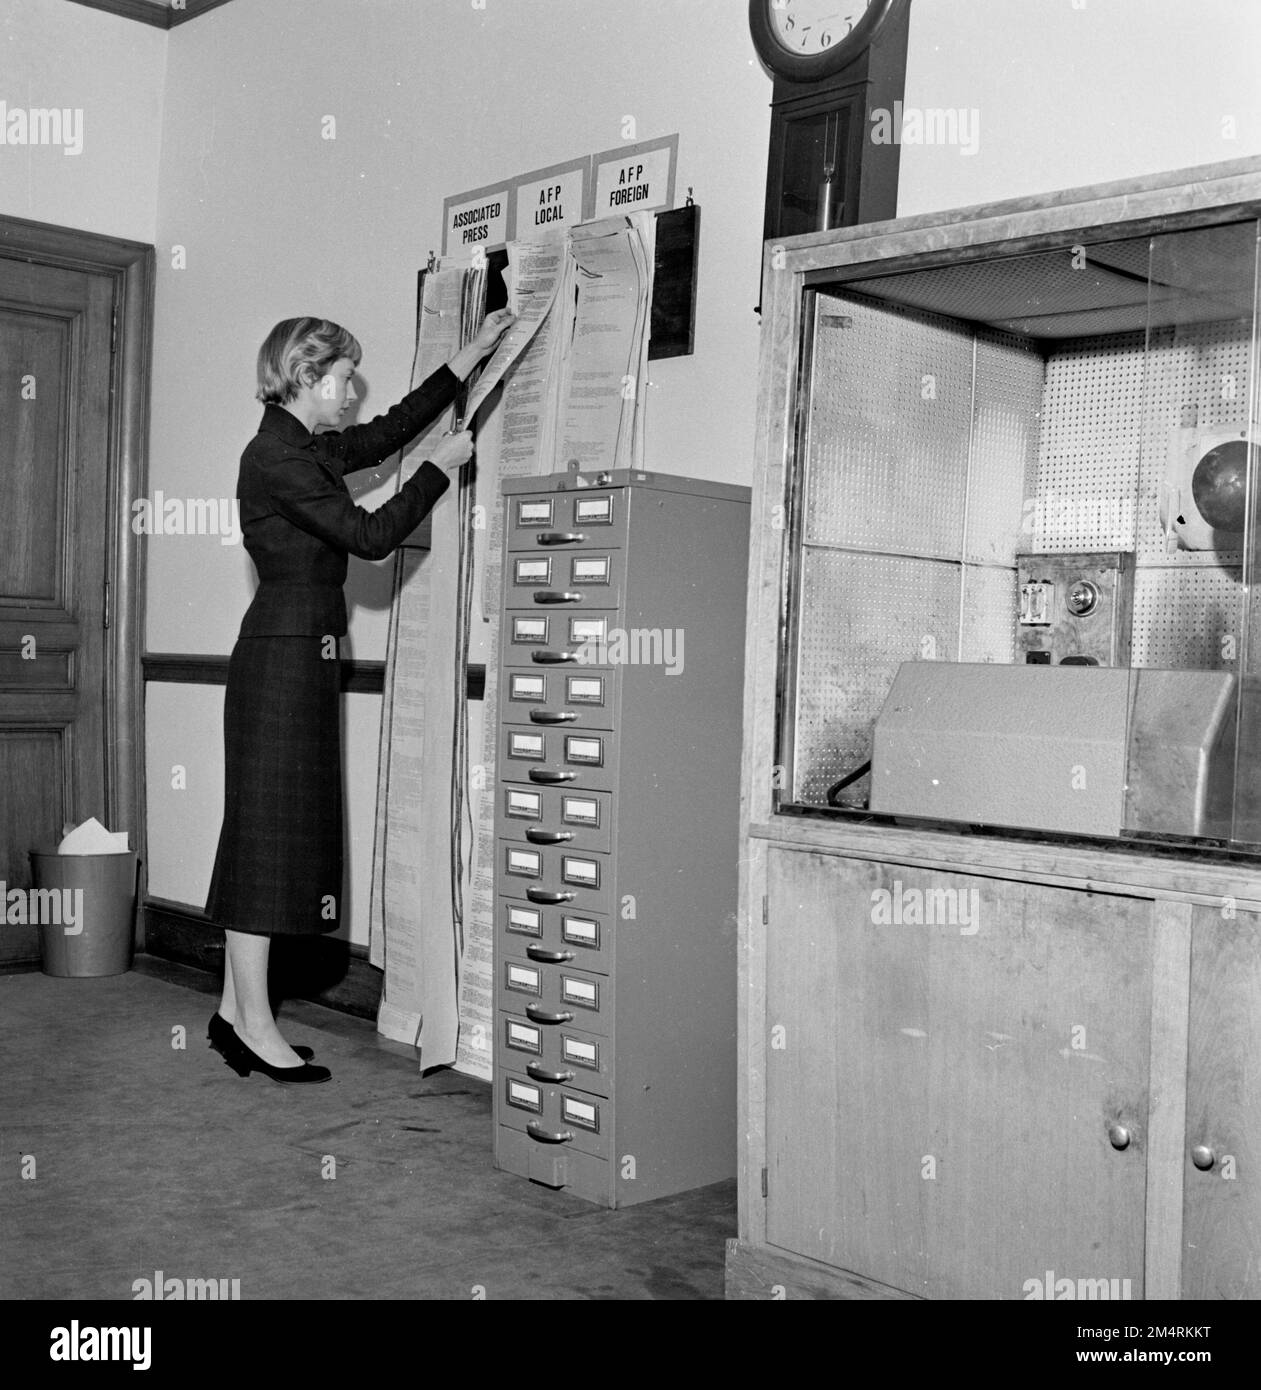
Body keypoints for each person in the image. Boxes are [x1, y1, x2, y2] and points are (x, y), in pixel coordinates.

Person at [204, 308, 514, 1084]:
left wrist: (468, 358)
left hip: (295, 658)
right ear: (307, 377)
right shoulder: (278, 459)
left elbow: (381, 435)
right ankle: (253, 1027)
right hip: (281, 662)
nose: (351, 393)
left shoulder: (300, 447)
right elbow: (371, 537)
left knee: (273, 840)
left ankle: (235, 1014)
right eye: (343, 379)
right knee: (266, 848)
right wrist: (441, 468)